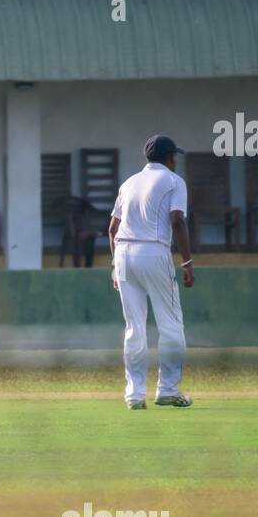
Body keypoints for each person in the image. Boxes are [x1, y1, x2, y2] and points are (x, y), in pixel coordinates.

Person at [107, 135, 195, 410]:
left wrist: (114, 267)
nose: (176, 161)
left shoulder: (129, 183)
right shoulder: (174, 181)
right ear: (171, 158)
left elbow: (112, 229)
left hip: (123, 254)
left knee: (134, 328)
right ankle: (167, 389)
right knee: (170, 325)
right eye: (175, 157)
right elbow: (177, 220)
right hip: (153, 252)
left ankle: (134, 396)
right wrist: (187, 262)